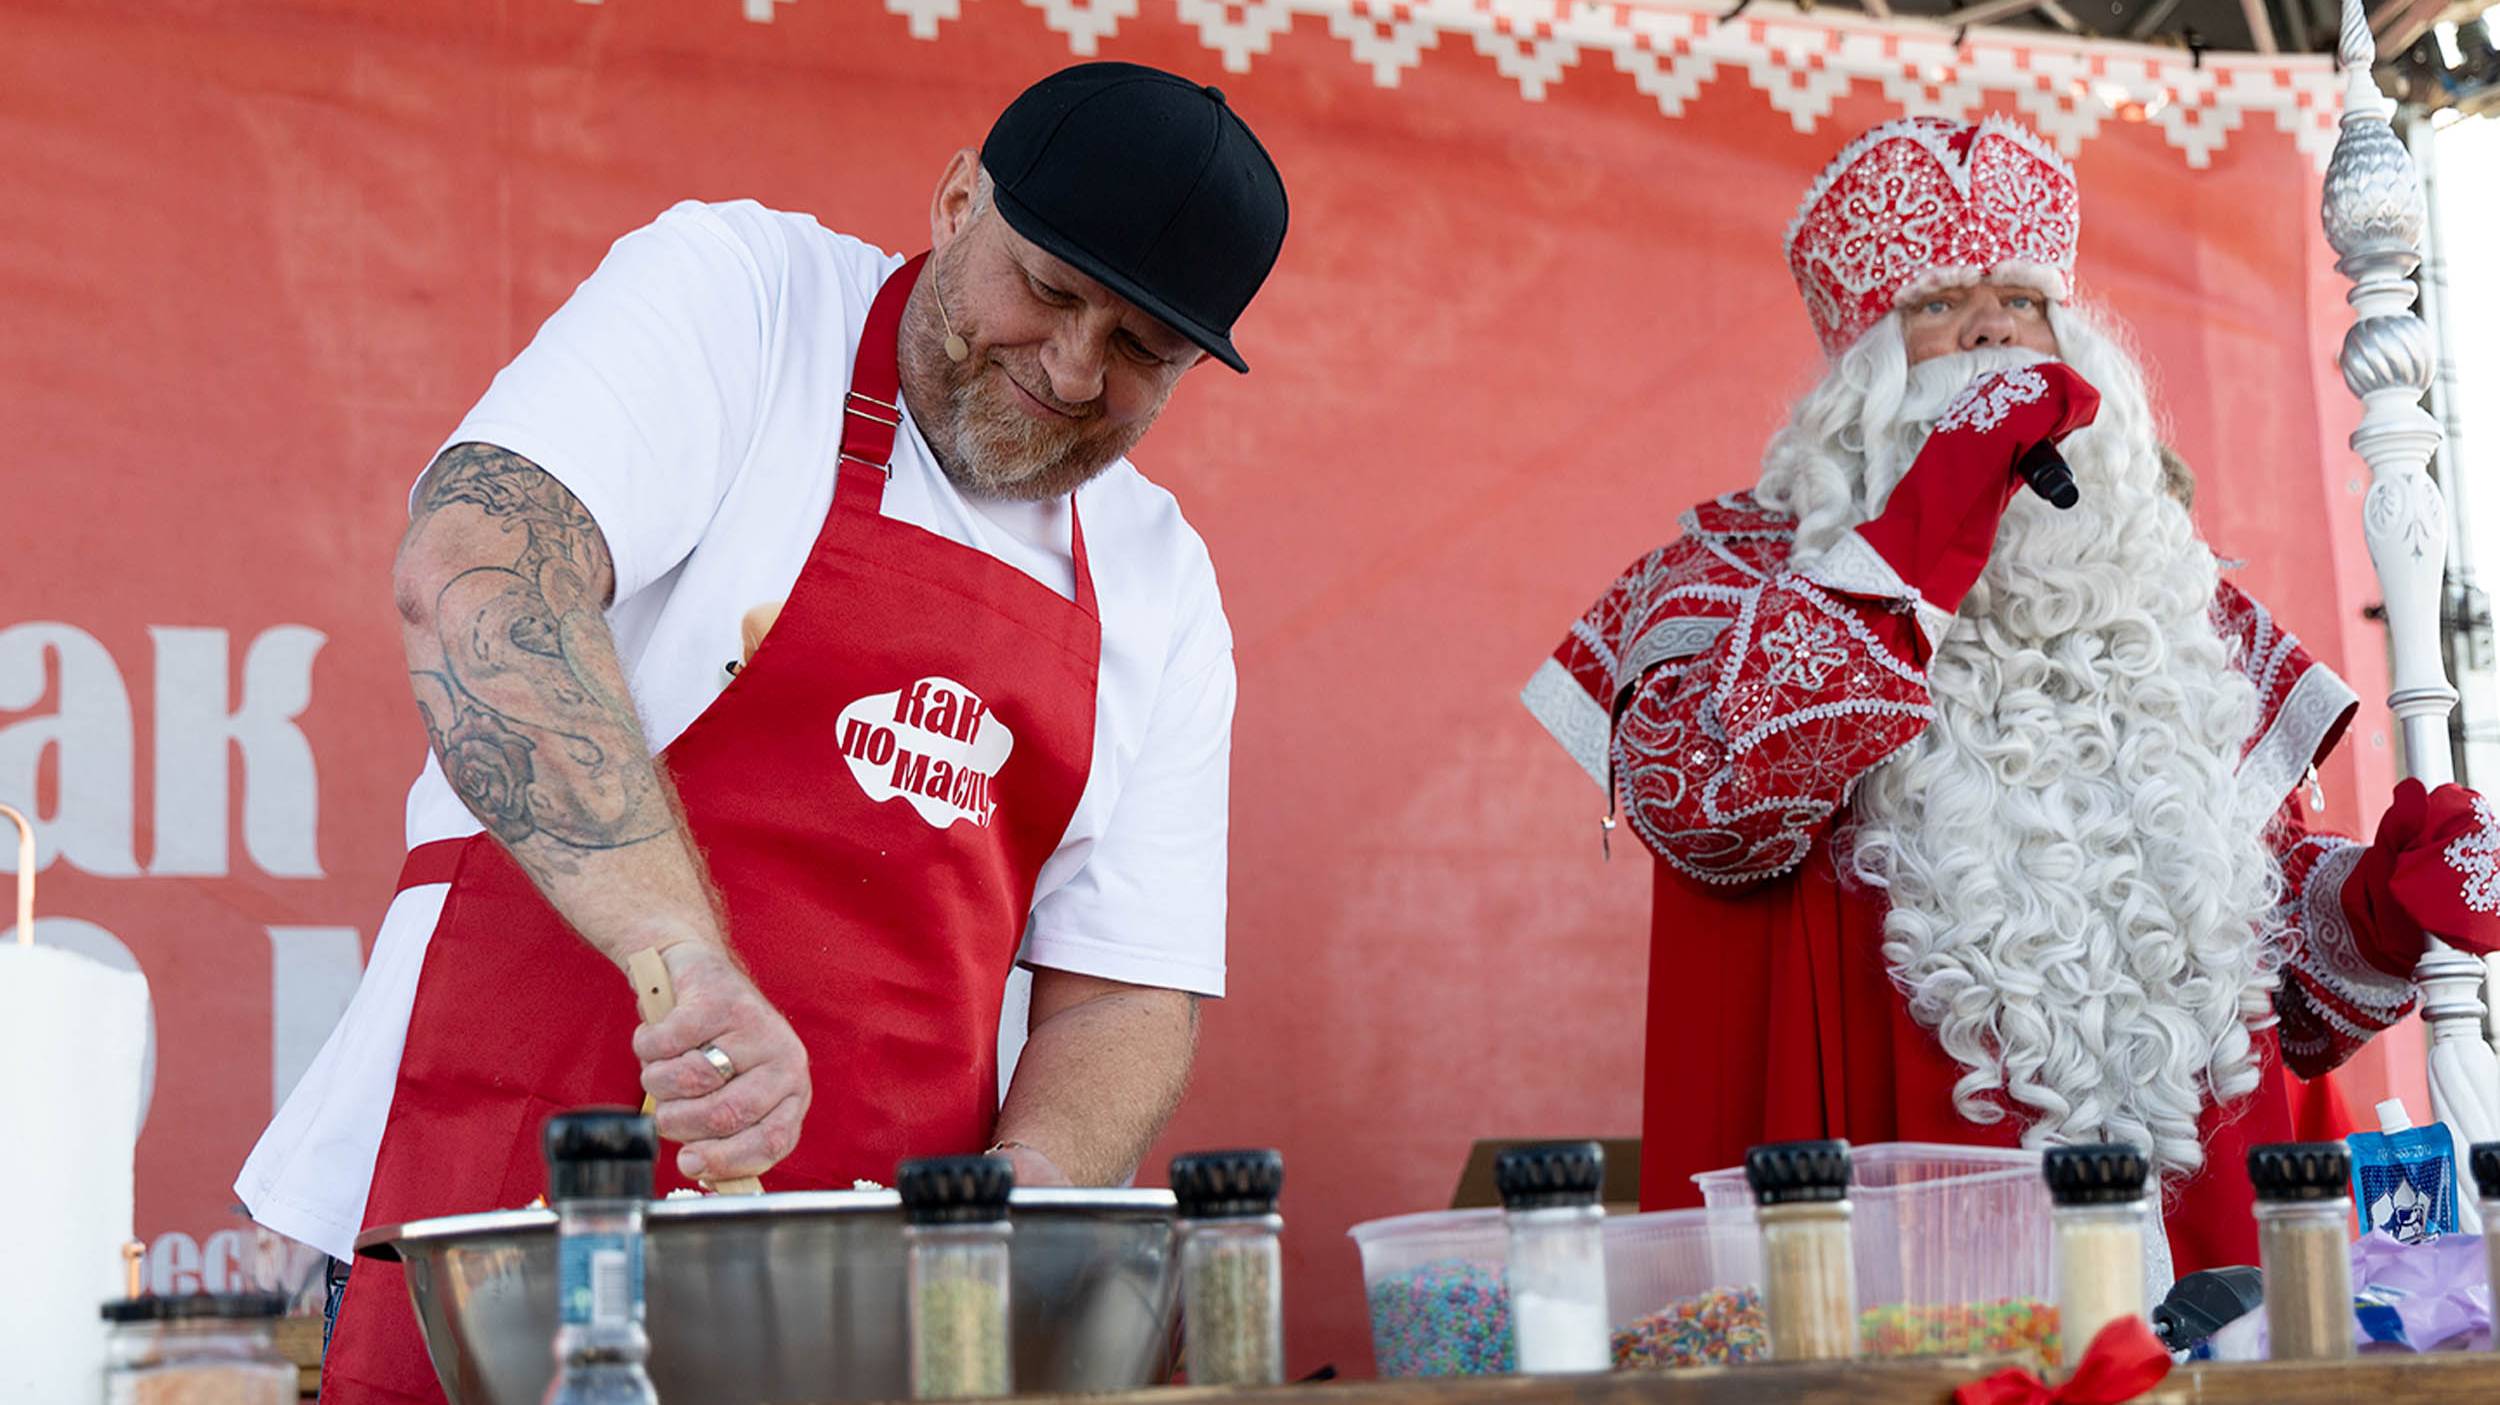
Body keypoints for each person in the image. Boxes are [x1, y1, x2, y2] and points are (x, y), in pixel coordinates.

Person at [236, 62, 1287, 1401]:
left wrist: (1015, 1218)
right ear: (959, 198)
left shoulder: (1158, 576)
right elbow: (479, 568)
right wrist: (689, 966)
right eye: (1051, 291)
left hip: (885, 1325)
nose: (1077, 369)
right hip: (505, 1231)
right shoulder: (741, 299)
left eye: (1143, 348)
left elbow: (1125, 988)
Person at [1521, 115, 2500, 1276]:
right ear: (1862, 369)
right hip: (1893, 1262)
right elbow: (1709, 803)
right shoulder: (1733, 572)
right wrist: (1926, 523)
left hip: (2188, 1270)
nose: (1992, 324)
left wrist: (2374, 914)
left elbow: (2270, 993)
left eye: (2023, 301)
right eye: (1938, 304)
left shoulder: (2174, 602)